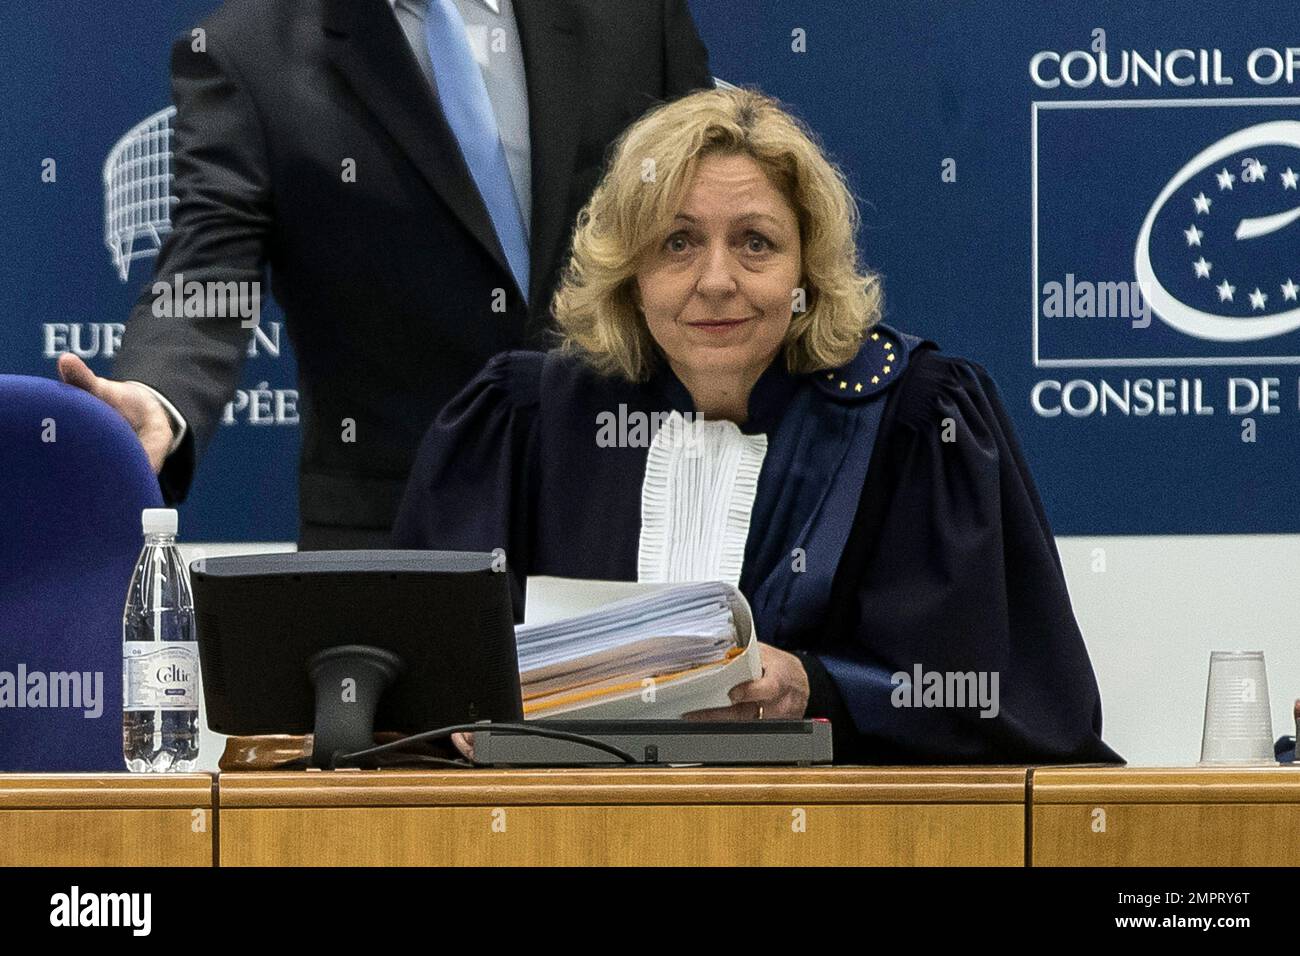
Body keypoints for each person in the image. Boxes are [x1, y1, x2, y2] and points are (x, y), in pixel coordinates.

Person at [392, 87, 1123, 765]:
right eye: (677, 243)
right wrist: (462, 708)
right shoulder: (527, 419)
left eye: (755, 243)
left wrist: (819, 688)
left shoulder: (915, 419)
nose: (716, 281)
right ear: (630, 271)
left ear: (806, 270)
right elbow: (410, 686)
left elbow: (1014, 705)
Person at [58, 0, 712, 548]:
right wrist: (159, 395)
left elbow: (716, 204)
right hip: (395, 546)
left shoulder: (632, 14)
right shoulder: (250, 54)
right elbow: (208, 266)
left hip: (635, 518)